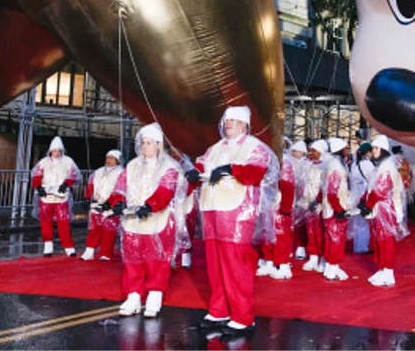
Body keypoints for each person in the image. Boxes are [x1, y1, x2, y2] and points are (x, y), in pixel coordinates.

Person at [189, 105, 275, 336]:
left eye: (233, 120)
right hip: (212, 209)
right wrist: (194, 172)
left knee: (236, 263)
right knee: (215, 262)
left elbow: (255, 173)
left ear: (244, 124)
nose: (228, 124)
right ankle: (219, 310)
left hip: (237, 211)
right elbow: (202, 162)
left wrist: (231, 168)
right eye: (226, 120)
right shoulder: (216, 147)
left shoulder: (255, 147)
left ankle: (243, 316)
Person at [110, 123, 186, 318]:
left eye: (149, 143)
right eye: (143, 143)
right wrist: (117, 202)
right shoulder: (133, 165)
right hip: (133, 221)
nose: (145, 147)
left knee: (156, 259)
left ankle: (154, 295)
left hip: (157, 221)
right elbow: (121, 187)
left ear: (158, 145)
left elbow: (166, 190)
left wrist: (151, 205)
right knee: (132, 259)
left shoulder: (169, 166)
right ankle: (133, 295)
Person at [361, 135, 408, 286]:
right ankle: (383, 268)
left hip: (386, 210)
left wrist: (368, 204)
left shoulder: (386, 168)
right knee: (380, 239)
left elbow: (380, 190)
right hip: (380, 209)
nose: (373, 151)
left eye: (375, 148)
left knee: (386, 240)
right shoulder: (381, 167)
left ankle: (389, 271)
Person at [31, 137, 81, 257]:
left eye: (59, 151)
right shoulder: (44, 162)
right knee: (46, 221)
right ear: (50, 151)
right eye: (54, 151)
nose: (57, 153)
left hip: (61, 197)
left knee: (63, 221)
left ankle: (68, 246)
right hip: (46, 197)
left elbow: (74, 174)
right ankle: (48, 245)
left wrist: (66, 184)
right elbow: (36, 175)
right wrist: (39, 188)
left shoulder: (68, 161)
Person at [259, 139, 301, 280]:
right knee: (267, 234)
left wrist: (286, 208)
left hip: (279, 204)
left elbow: (287, 186)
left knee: (281, 235)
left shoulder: (285, 162)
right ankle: (269, 260)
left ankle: (283, 265)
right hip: (268, 204)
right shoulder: (269, 159)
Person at [321, 137, 356, 280]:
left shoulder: (332, 166)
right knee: (336, 239)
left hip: (331, 208)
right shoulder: (337, 168)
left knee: (330, 238)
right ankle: (333, 268)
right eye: (346, 148)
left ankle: (330, 267)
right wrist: (339, 209)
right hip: (335, 209)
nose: (347, 150)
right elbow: (332, 192)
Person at [82, 149, 124, 261]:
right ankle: (89, 250)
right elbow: (90, 185)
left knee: (108, 230)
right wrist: (87, 198)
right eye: (108, 158)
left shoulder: (121, 173)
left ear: (117, 160)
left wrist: (110, 203)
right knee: (93, 228)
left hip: (111, 206)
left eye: (112, 158)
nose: (109, 160)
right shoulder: (98, 172)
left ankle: (106, 253)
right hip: (97, 204)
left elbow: (120, 191)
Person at [300, 140, 327, 272]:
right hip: (309, 202)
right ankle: (313, 255)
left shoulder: (326, 166)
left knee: (320, 231)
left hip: (321, 204)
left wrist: (318, 200)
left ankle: (322, 257)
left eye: (315, 150)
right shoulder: (309, 165)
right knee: (310, 230)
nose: (312, 153)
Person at [348, 141, 376, 254]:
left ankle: (357, 246)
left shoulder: (355, 164)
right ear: (368, 152)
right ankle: (362, 247)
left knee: (357, 223)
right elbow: (373, 181)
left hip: (354, 195)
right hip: (363, 196)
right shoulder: (367, 164)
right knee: (364, 223)